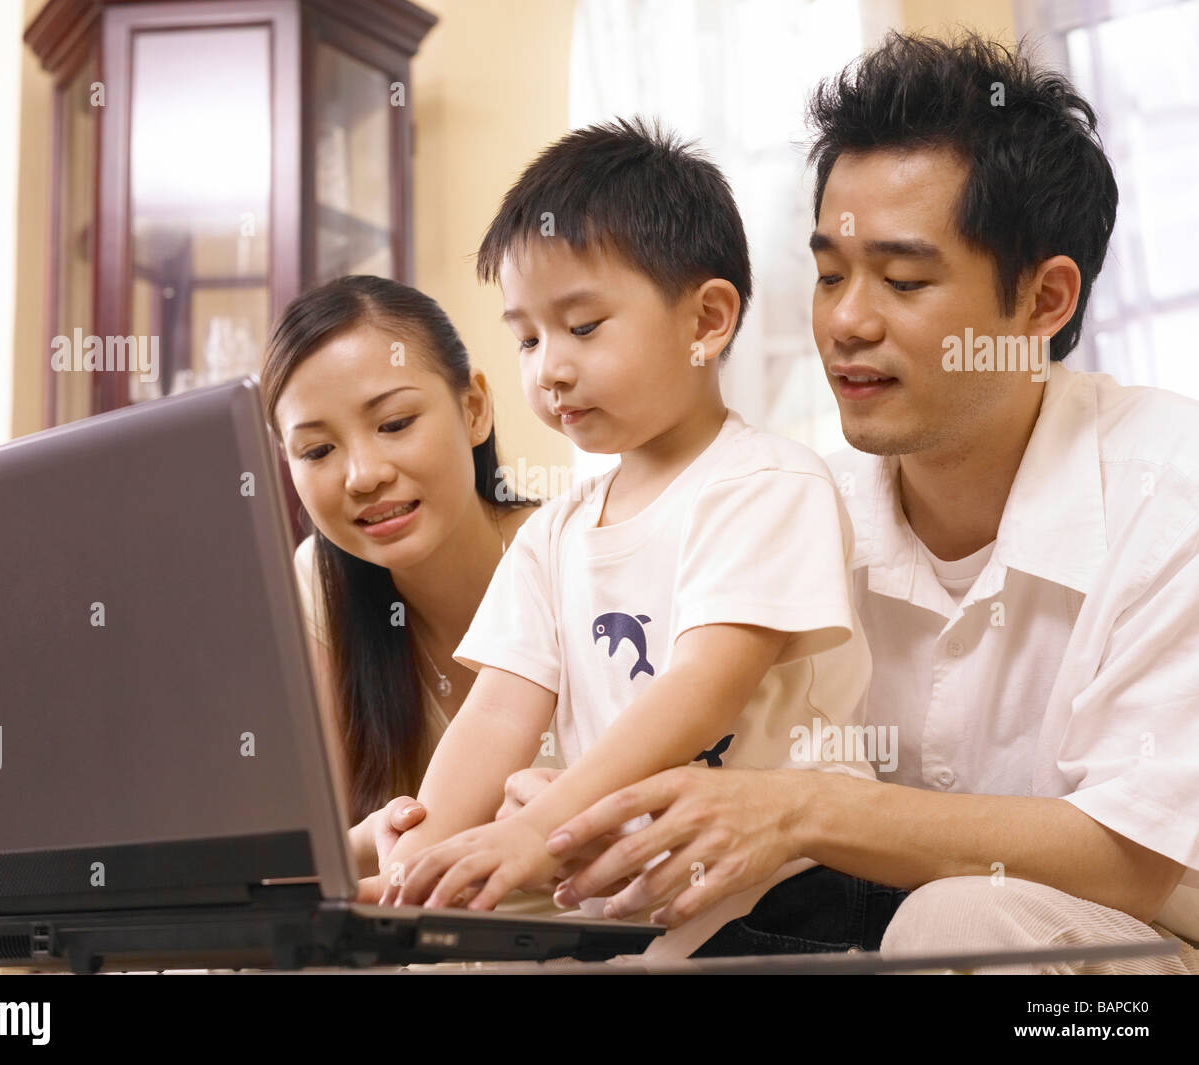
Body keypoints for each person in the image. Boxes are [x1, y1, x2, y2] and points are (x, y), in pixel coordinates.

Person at [499, 32, 1199, 973]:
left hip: (1125, 985)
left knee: (959, 927)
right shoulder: (791, 503)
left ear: (1043, 301)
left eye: (904, 280)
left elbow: (1134, 854)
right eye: (830, 273)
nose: (846, 321)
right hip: (859, 946)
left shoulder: (1172, 489)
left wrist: (802, 812)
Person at [375, 117, 882, 959]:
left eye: (582, 326)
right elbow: (497, 710)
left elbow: (704, 688)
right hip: (640, 890)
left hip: (793, 886)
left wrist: (540, 827)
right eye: (527, 338)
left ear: (707, 320)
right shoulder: (552, 534)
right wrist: (427, 850)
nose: (549, 369)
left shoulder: (765, 485)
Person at [260, 274, 558, 907]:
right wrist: (364, 841)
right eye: (317, 450)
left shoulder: (573, 555)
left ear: (473, 408)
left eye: (394, 423)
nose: (364, 475)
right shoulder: (321, 579)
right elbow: (293, 854)